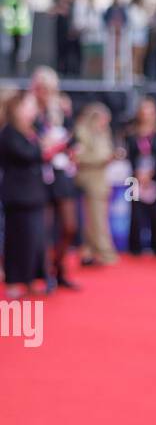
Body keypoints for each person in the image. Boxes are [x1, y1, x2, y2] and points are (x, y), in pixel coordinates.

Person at [31, 66, 81, 292]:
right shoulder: (29, 111)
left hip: (61, 172)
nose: (44, 92)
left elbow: (73, 136)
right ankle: (46, 274)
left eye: (48, 88)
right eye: (40, 87)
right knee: (45, 228)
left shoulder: (61, 107)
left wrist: (65, 146)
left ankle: (58, 268)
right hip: (39, 173)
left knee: (69, 226)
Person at [0, 90, 46, 297]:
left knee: (34, 240)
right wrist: (44, 149)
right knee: (16, 238)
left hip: (34, 192)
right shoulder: (8, 132)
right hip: (17, 195)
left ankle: (30, 279)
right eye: (27, 106)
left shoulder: (31, 131)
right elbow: (27, 155)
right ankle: (12, 280)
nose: (31, 110)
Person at [74, 102, 119, 266]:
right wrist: (103, 159)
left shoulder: (103, 133)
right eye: (103, 120)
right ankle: (105, 253)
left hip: (101, 181)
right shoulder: (82, 132)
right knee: (96, 220)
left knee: (96, 219)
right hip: (88, 180)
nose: (105, 124)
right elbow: (78, 158)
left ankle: (90, 252)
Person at [125, 97, 156, 256]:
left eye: (150, 112)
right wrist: (138, 173)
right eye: (144, 111)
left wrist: (150, 173)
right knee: (135, 214)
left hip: (155, 179)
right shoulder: (131, 134)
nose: (147, 115)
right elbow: (130, 156)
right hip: (135, 179)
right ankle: (135, 247)